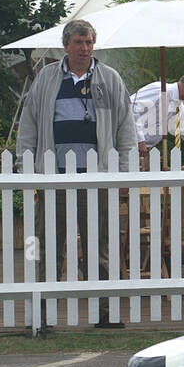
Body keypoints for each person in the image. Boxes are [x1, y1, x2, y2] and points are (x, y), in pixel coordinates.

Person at [16, 18, 137, 328]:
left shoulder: (110, 79)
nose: (84, 48)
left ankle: (105, 314)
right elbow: (28, 124)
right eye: (79, 43)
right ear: (66, 45)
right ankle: (43, 316)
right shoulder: (46, 78)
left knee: (101, 246)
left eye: (89, 43)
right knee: (47, 247)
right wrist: (25, 166)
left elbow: (126, 129)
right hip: (54, 178)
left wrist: (123, 174)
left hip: (98, 179)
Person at [131, 72, 184, 158]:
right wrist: (140, 140)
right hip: (125, 145)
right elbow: (131, 109)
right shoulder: (160, 90)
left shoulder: (177, 105)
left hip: (140, 152)